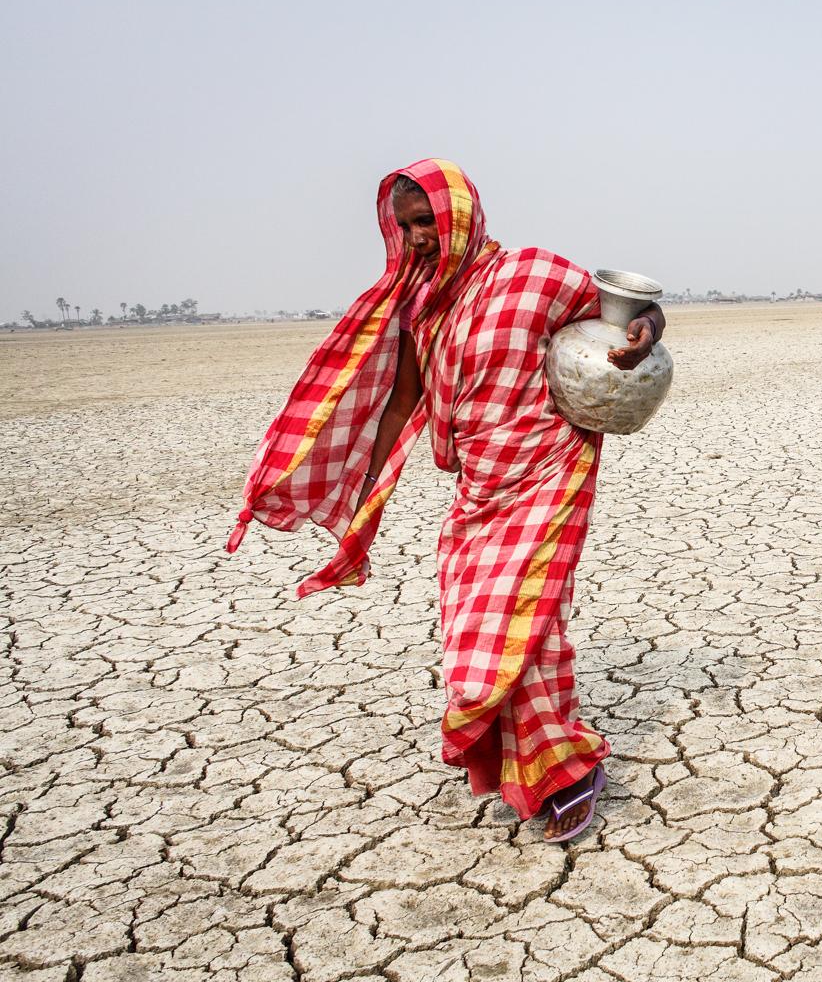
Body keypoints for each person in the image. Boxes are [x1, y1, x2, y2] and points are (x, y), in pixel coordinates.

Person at [226, 159, 664, 843]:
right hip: (479, 493)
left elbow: (628, 313)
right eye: (404, 226)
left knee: (528, 625)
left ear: (462, 213)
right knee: (490, 634)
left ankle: (569, 775)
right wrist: (363, 491)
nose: (417, 235)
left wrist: (648, 331)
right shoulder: (418, 304)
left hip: (546, 475)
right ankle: (537, 763)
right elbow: (404, 399)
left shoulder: (533, 275)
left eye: (426, 219)